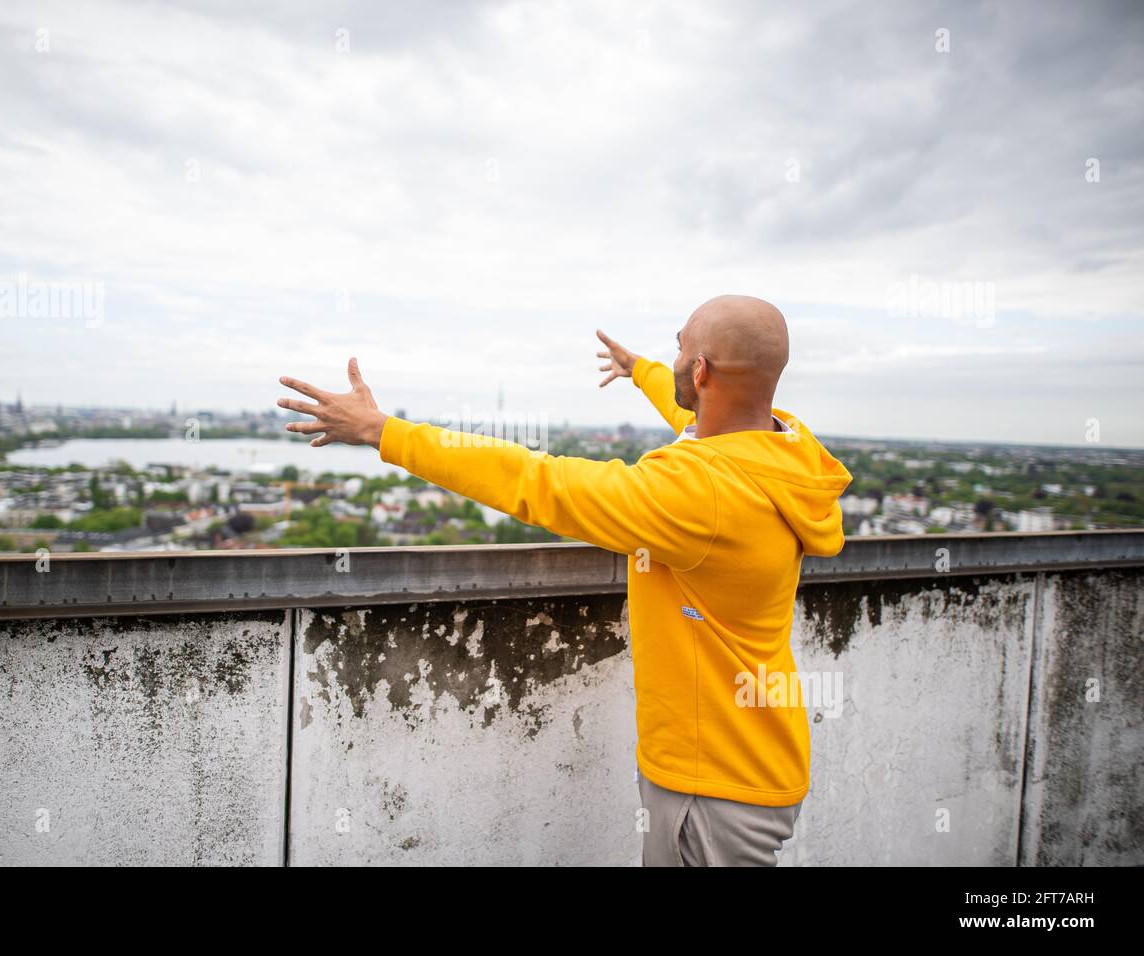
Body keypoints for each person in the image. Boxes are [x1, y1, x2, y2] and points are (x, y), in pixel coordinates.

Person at [277, 294, 853, 866]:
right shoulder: (785, 448)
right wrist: (640, 372)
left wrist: (384, 431)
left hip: (713, 785)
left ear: (700, 370)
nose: (674, 357)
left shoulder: (701, 493)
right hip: (760, 751)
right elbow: (695, 417)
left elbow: (537, 480)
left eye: (679, 348)